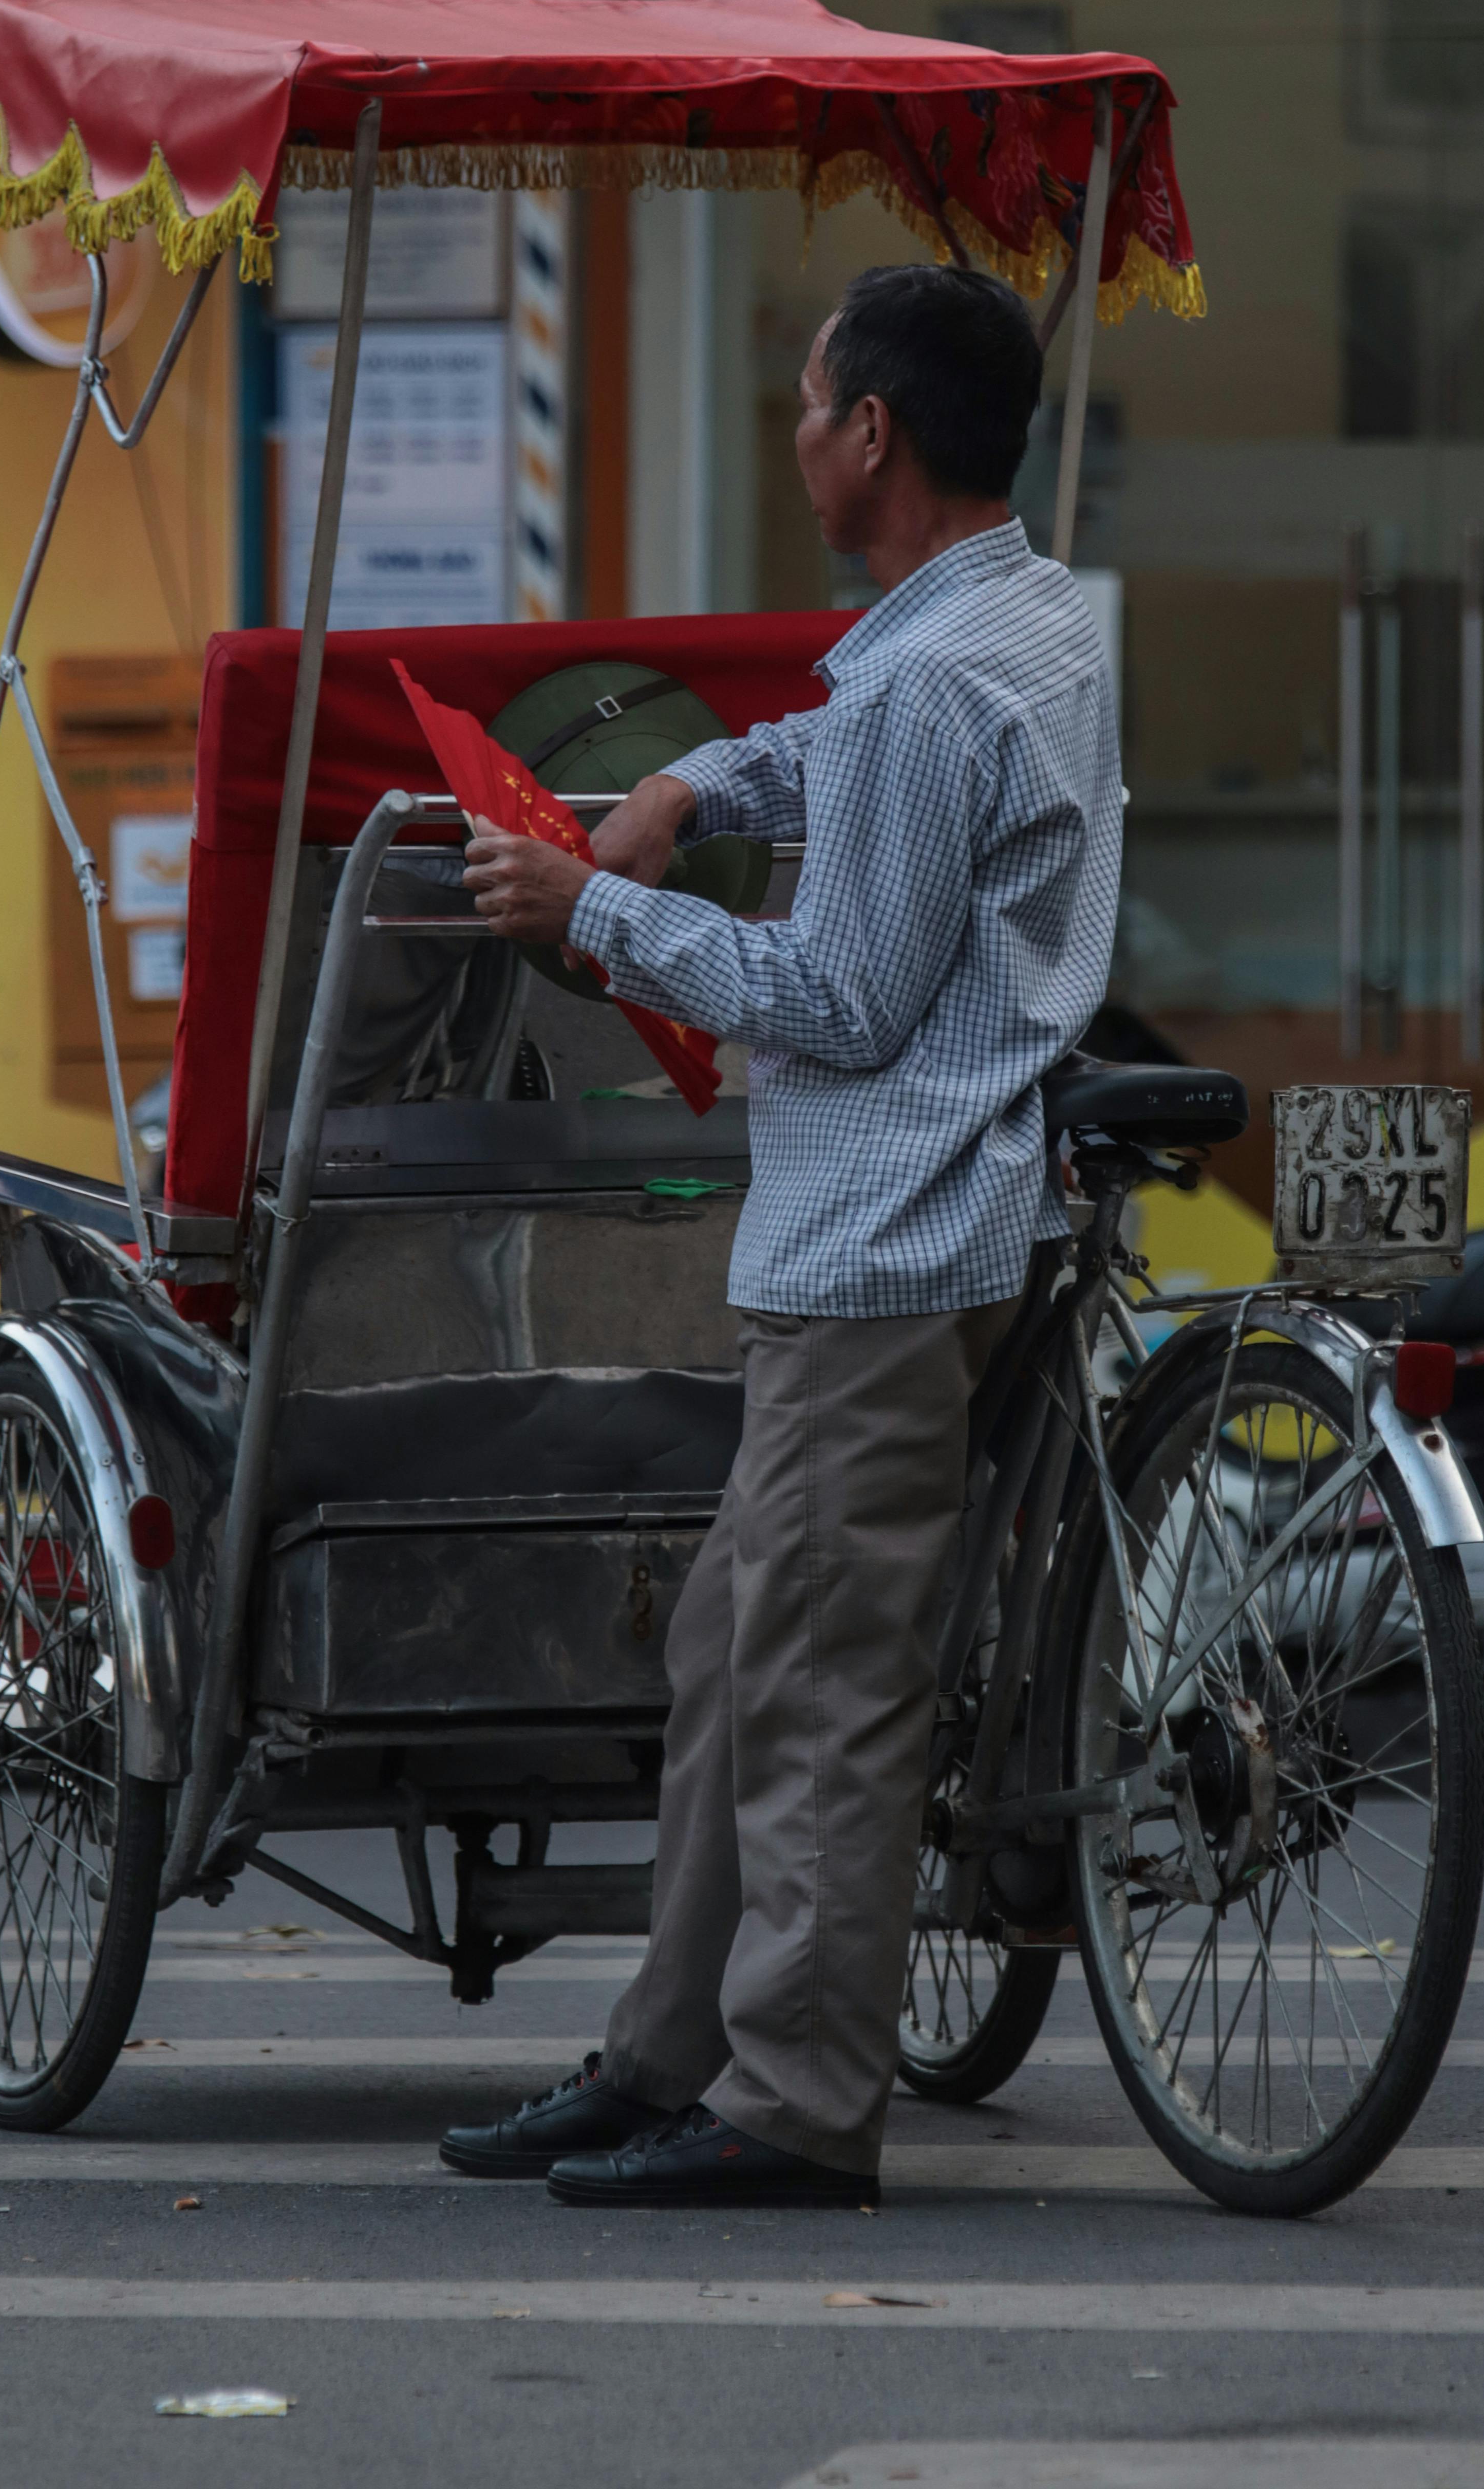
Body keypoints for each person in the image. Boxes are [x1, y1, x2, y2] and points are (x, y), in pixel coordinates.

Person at [442, 262, 1121, 2208]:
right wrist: (683, 782)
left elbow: (834, 991)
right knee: (743, 1647)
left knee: (821, 1680)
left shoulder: (933, 677)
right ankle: (669, 2052)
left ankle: (798, 2102)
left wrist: (586, 910)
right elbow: (836, 759)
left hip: (884, 1245)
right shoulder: (1024, 621)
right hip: (937, 1224)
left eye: (808, 404)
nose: (796, 435)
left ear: (873, 436)